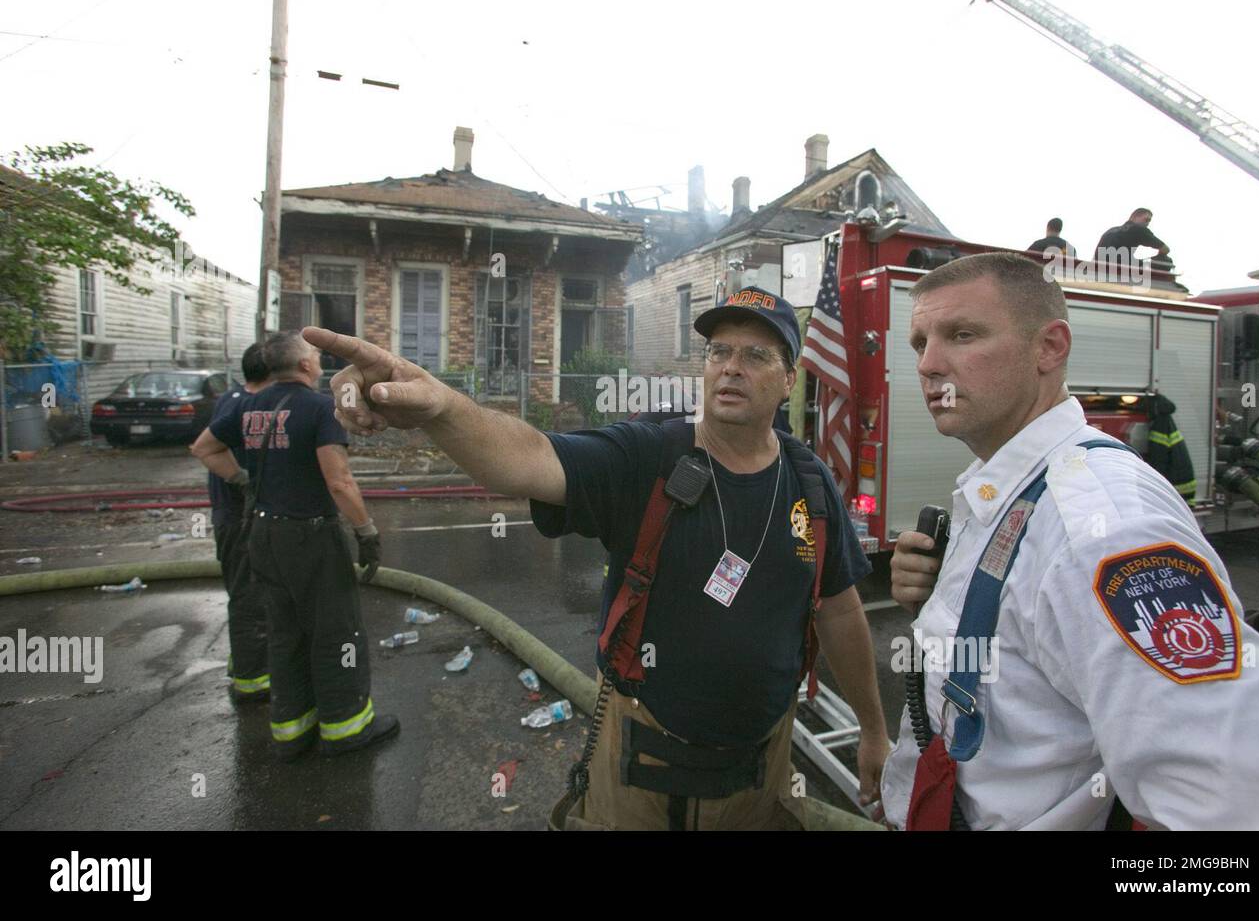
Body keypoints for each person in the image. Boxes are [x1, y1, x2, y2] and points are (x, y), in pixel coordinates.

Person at [303, 287, 890, 830]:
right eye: (719, 351)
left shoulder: (810, 484)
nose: (731, 366)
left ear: (789, 379)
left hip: (764, 762)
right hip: (641, 766)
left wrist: (872, 729)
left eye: (757, 355)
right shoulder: (646, 456)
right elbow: (529, 459)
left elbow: (838, 611)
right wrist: (441, 408)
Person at [882, 251, 1259, 830]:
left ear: (1050, 348)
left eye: (962, 334)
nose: (928, 364)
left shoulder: (1103, 525)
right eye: (918, 343)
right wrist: (939, 608)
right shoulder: (1014, 488)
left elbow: (1242, 809)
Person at [192, 331, 396, 761]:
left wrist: (243, 480)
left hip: (262, 533)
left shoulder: (247, 405)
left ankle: (291, 728)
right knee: (336, 629)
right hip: (310, 535)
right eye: (315, 355)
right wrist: (366, 531)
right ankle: (346, 726)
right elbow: (338, 481)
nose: (319, 360)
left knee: (285, 632)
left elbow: (204, 447)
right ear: (305, 366)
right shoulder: (319, 407)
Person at [192, 342, 272, 704]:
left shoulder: (233, 398)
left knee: (251, 595)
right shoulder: (244, 404)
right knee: (249, 597)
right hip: (239, 519)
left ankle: (245, 661)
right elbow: (203, 448)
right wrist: (244, 481)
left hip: (233, 517)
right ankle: (253, 680)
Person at [1093, 207, 1170, 269]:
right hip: (1117, 266)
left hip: (1097, 265)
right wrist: (1159, 256)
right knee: (1165, 260)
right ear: (1134, 217)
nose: (1147, 223)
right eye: (1146, 220)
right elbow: (1165, 249)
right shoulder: (1139, 230)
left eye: (1149, 221)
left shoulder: (1112, 230)